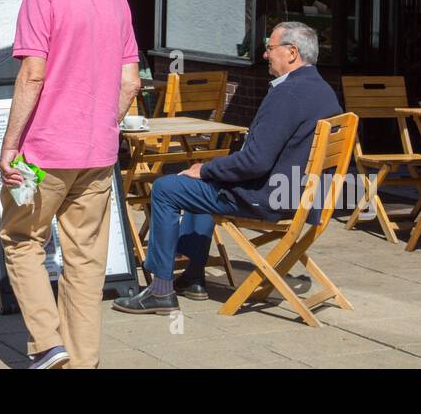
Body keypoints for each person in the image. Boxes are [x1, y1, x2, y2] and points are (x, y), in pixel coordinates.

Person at [113, 21, 340, 315]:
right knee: (200, 187)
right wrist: (211, 171)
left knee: (167, 187)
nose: (266, 55)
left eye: (270, 48)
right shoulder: (323, 90)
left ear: (292, 52)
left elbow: (255, 162)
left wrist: (205, 169)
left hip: (271, 197)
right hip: (304, 197)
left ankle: (160, 289)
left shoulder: (288, 94)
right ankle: (193, 278)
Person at [0, 0, 140, 370]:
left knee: (21, 239)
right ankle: (83, 361)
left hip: (42, 154)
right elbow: (131, 82)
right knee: (85, 262)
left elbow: (32, 74)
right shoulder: (117, 1)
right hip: (96, 156)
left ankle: (47, 340)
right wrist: (104, 124)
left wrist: (9, 146)